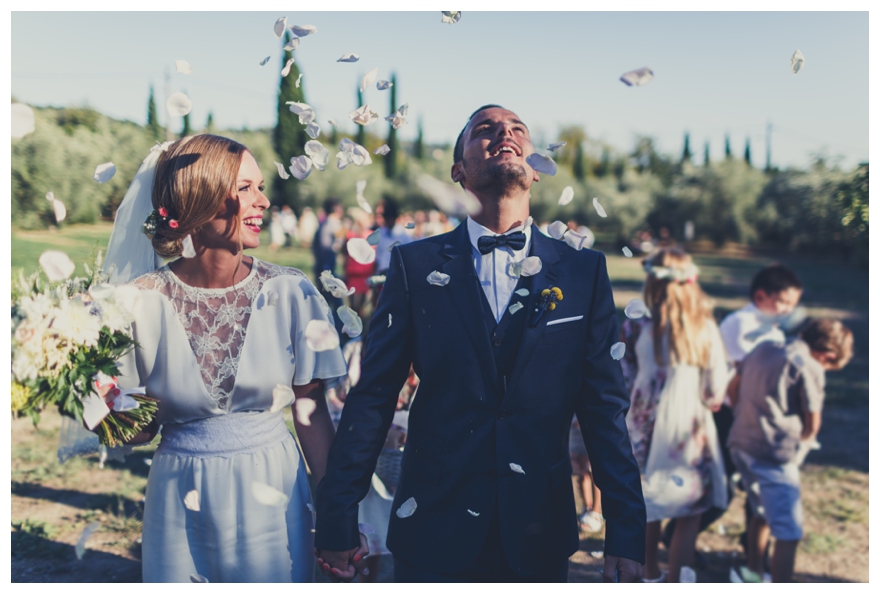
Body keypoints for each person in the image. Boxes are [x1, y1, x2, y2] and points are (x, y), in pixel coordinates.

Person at [314, 105, 646, 583]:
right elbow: (374, 399)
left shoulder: (584, 271)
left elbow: (603, 409)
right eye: (485, 130)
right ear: (458, 172)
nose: (504, 134)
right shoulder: (413, 266)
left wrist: (627, 533)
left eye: (517, 130)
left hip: (539, 528)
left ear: (536, 168)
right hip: (432, 523)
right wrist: (337, 518)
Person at [99, 134, 360, 582]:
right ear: (197, 197)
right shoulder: (137, 303)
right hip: (179, 492)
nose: (263, 201)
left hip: (273, 487)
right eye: (245, 189)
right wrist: (95, 398)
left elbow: (311, 413)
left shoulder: (291, 293)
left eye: (260, 187)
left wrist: (339, 521)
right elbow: (138, 434)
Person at [621, 247, 730, 583]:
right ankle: (674, 582)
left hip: (642, 430)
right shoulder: (705, 328)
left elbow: (624, 374)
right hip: (687, 433)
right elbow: (715, 391)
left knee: (647, 505)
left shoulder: (636, 325)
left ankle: (648, 573)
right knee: (690, 513)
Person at [728, 318, 853, 583]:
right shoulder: (808, 365)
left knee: (760, 512)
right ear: (827, 356)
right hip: (775, 454)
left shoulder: (762, 348)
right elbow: (813, 420)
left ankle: (753, 573)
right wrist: (805, 440)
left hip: (741, 442)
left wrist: (741, 414)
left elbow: (733, 387)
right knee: (789, 532)